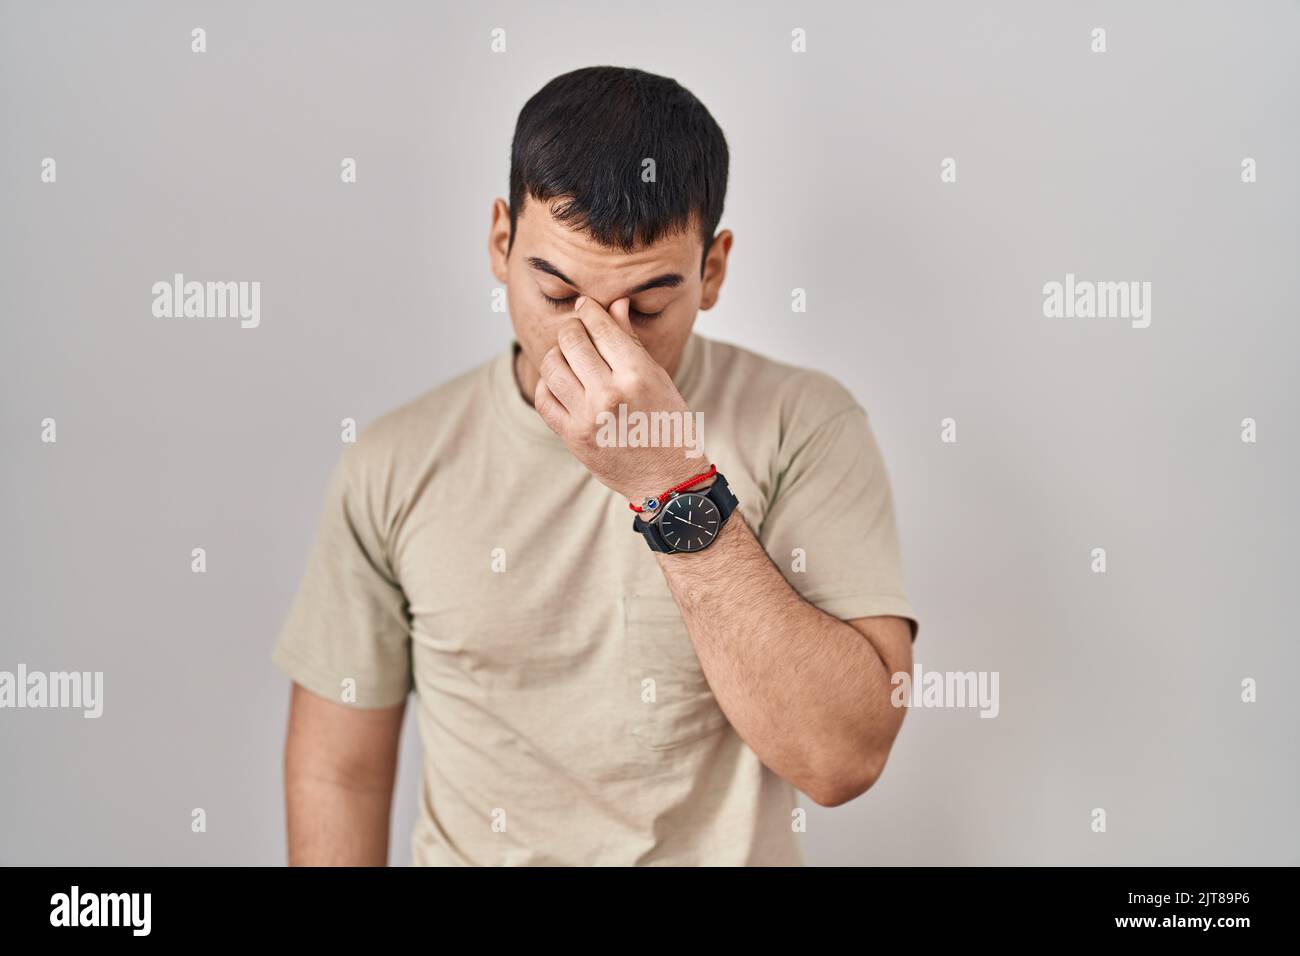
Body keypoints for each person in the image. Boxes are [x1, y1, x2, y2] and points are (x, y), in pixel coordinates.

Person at [273, 65, 919, 866]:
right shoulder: (393, 462)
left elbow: (841, 759)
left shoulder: (805, 424)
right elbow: (341, 771)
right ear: (501, 241)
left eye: (646, 306)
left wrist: (670, 484)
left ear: (712, 270)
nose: (600, 343)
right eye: (556, 295)